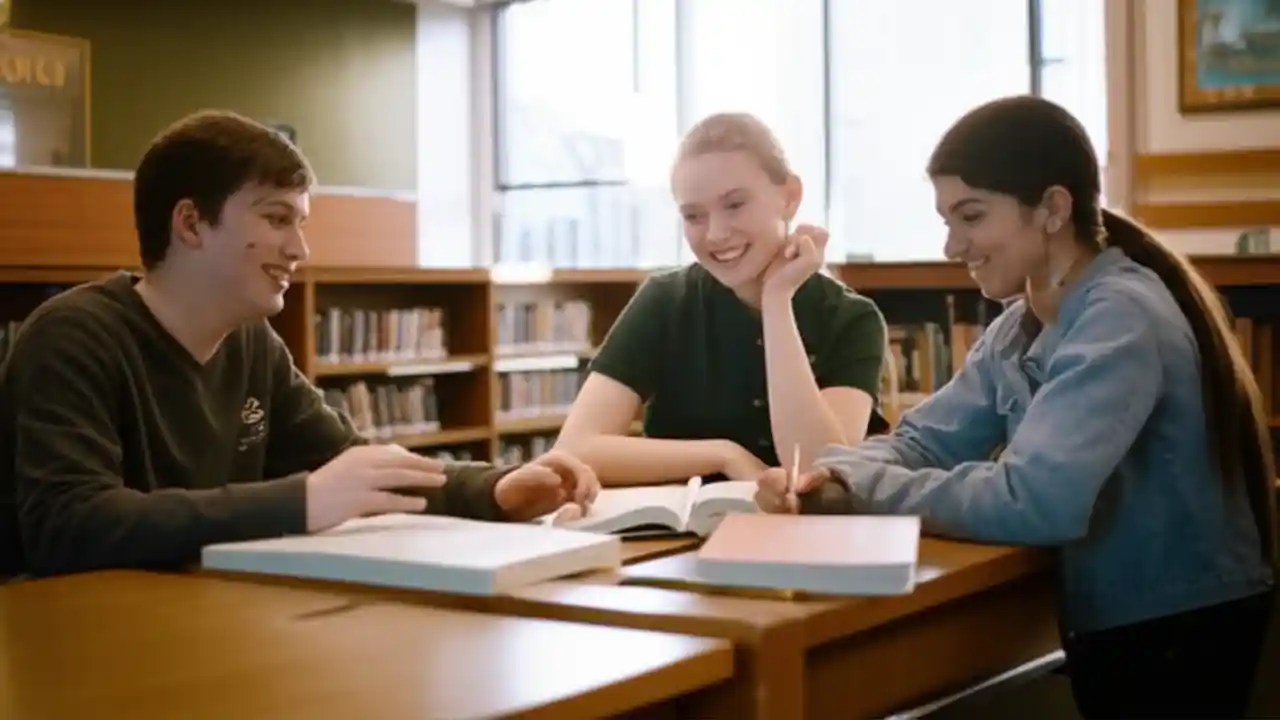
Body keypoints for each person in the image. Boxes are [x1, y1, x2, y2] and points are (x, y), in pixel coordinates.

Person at [756, 95, 1277, 719]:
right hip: (1121, 623)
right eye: (947, 220)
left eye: (970, 216)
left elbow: (1036, 499)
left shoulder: (1121, 315)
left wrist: (862, 491)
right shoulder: (1019, 324)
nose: (952, 246)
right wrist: (832, 473)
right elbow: (924, 441)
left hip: (1177, 629)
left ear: (1053, 208)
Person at [0, 110, 596, 578]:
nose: (300, 250)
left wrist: (496, 487)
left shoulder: (252, 344)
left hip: (192, 614)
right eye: (276, 219)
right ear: (190, 224)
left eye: (300, 224)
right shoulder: (73, 338)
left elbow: (352, 465)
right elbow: (70, 525)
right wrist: (304, 500)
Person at [554, 112, 888, 487]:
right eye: (693, 216)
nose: (715, 234)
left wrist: (777, 299)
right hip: (681, 534)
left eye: (734, 205)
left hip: (806, 539)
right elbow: (574, 450)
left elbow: (817, 468)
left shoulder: (850, 318)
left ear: (790, 197)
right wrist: (725, 454)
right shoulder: (666, 300)